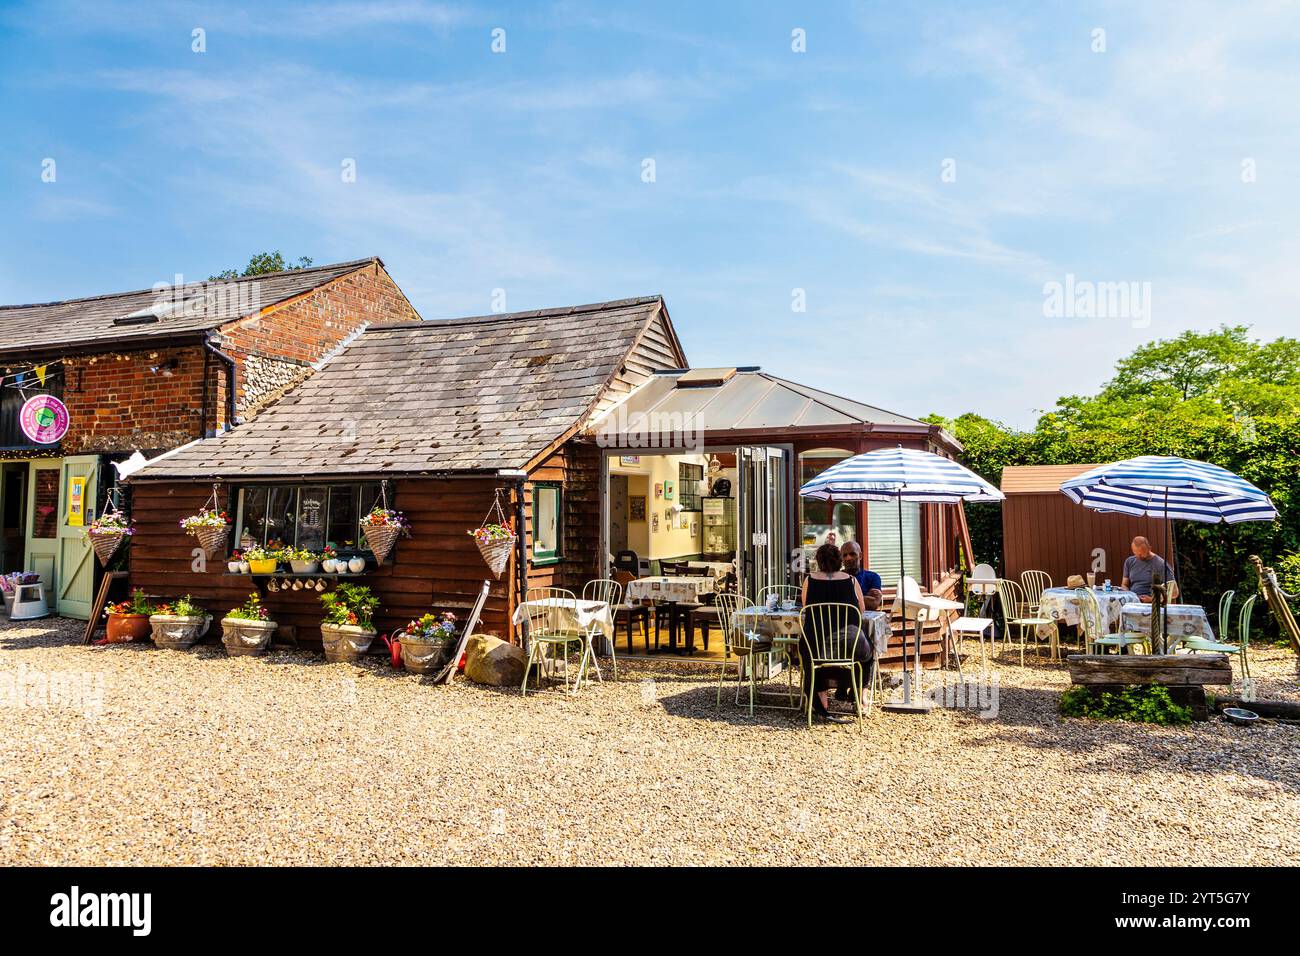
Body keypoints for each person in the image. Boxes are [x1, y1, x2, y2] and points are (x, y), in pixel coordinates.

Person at [800, 543, 873, 723]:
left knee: (812, 657)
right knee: (869, 653)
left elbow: (805, 608)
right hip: (849, 644)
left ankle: (822, 701)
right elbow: (861, 611)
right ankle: (861, 697)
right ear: (840, 560)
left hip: (817, 645)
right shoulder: (851, 580)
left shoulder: (809, 580)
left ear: (818, 561)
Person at [1121, 536, 1175, 604]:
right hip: (1132, 602)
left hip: (1152, 605)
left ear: (1149, 548)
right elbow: (1124, 584)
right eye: (1136, 554)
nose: (1138, 557)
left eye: (1141, 554)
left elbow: (1174, 592)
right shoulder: (1129, 561)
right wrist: (1129, 596)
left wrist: (1151, 599)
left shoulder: (1161, 565)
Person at [839, 541, 883, 611]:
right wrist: (864, 597)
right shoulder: (837, 578)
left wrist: (844, 599)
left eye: (852, 554)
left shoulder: (873, 577)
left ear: (860, 556)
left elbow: (873, 604)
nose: (848, 558)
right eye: (845, 555)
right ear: (841, 559)